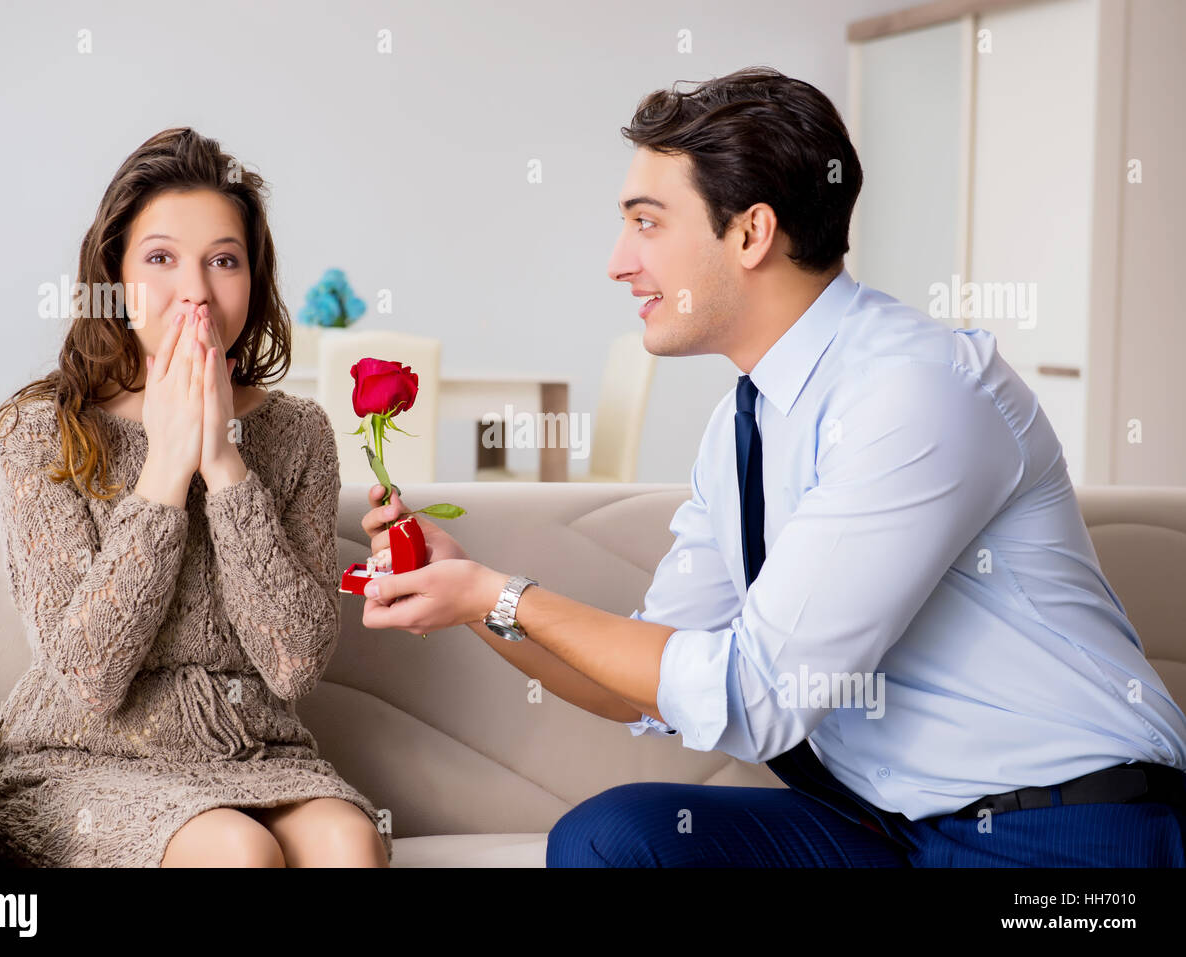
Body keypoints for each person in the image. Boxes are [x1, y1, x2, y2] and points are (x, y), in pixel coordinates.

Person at [358, 66, 1186, 867]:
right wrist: (472, 593)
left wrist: (502, 596)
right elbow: (643, 683)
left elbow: (758, 699)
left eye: (646, 222)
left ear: (751, 232)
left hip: (1063, 824)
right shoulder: (742, 426)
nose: (618, 261)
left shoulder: (915, 394)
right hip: (890, 825)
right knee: (615, 839)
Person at [0, 127, 391, 868]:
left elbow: (294, 663)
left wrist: (224, 460)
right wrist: (166, 468)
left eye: (223, 261)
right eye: (161, 258)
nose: (195, 291)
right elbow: (87, 674)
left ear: (253, 281)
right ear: (115, 275)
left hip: (253, 754)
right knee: (236, 850)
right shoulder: (42, 435)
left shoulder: (298, 434)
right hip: (83, 758)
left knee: (350, 841)